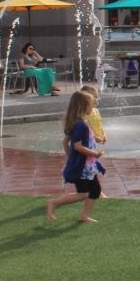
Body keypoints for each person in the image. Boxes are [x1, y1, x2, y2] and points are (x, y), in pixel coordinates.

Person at [46, 91, 105, 223]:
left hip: (87, 165)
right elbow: (77, 146)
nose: (93, 108)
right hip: (83, 167)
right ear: (83, 107)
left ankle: (84, 216)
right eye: (91, 105)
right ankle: (54, 203)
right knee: (85, 193)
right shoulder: (81, 125)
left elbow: (68, 142)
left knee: (95, 190)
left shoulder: (80, 123)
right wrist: (95, 154)